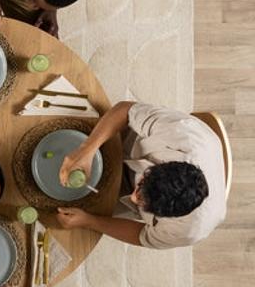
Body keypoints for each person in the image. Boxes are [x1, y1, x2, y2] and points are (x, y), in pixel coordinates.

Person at [56, 101, 226, 249]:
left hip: (121, 199)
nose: (134, 199)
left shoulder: (188, 231)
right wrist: (86, 150)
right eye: (141, 187)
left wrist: (89, 221)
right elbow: (125, 110)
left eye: (144, 203)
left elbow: (142, 236)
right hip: (124, 140)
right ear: (162, 166)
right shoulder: (181, 132)